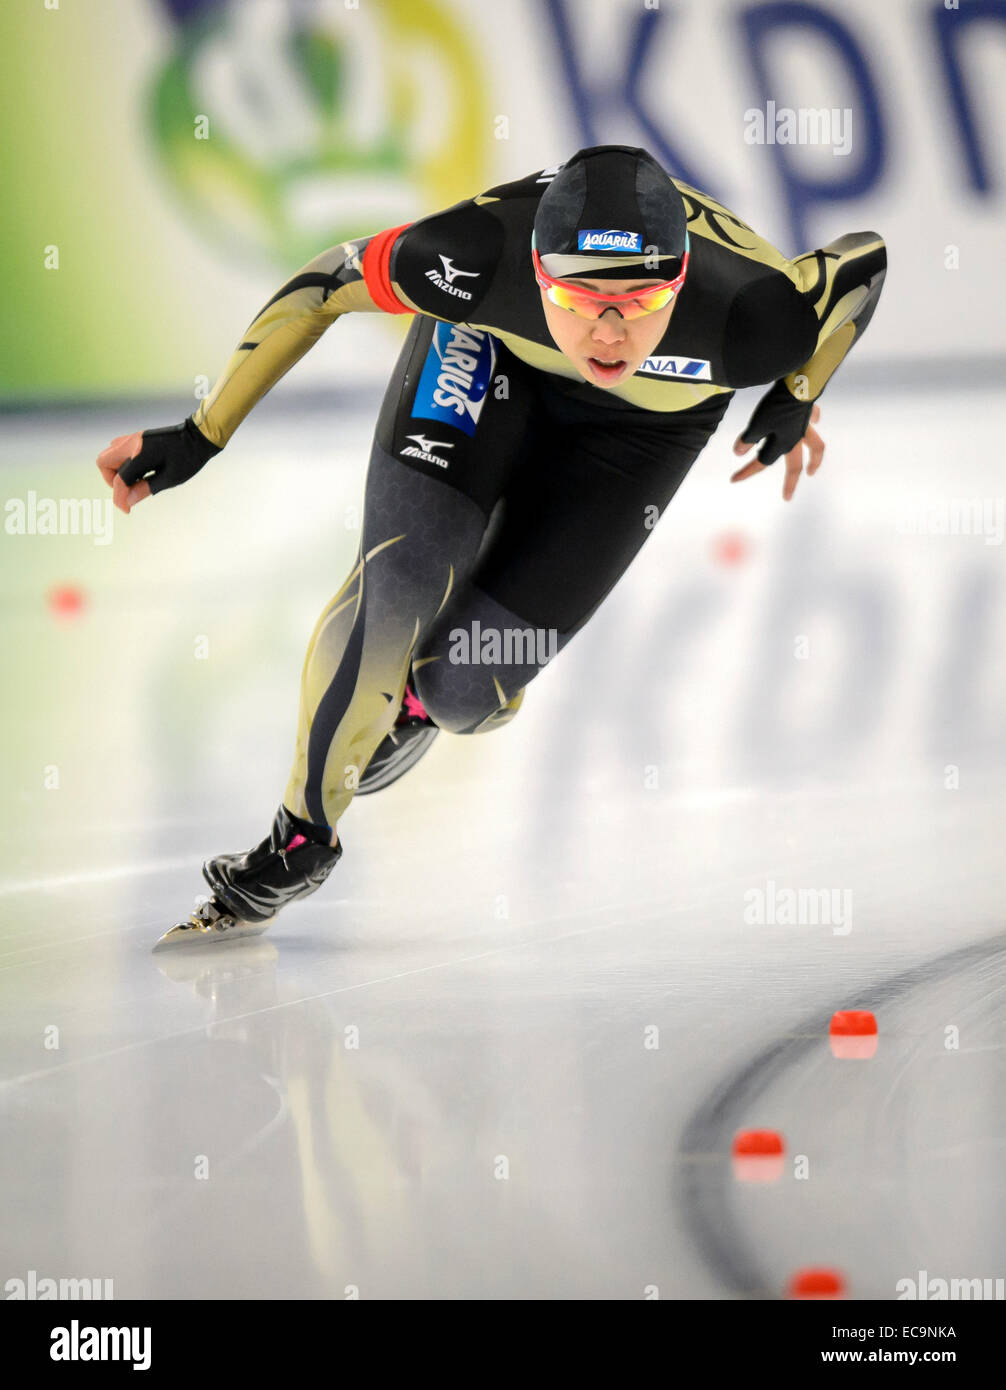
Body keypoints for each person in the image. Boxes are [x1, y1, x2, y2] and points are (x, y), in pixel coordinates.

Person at [96, 145, 887, 947]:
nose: (608, 332)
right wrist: (203, 433)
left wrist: (797, 390)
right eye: (579, 298)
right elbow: (322, 287)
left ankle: (413, 706)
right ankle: (298, 841)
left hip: (647, 430)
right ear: (538, 274)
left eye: (640, 300)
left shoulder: (757, 319)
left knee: (464, 688)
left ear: (680, 285)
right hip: (490, 352)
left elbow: (863, 265)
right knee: (400, 581)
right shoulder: (472, 259)